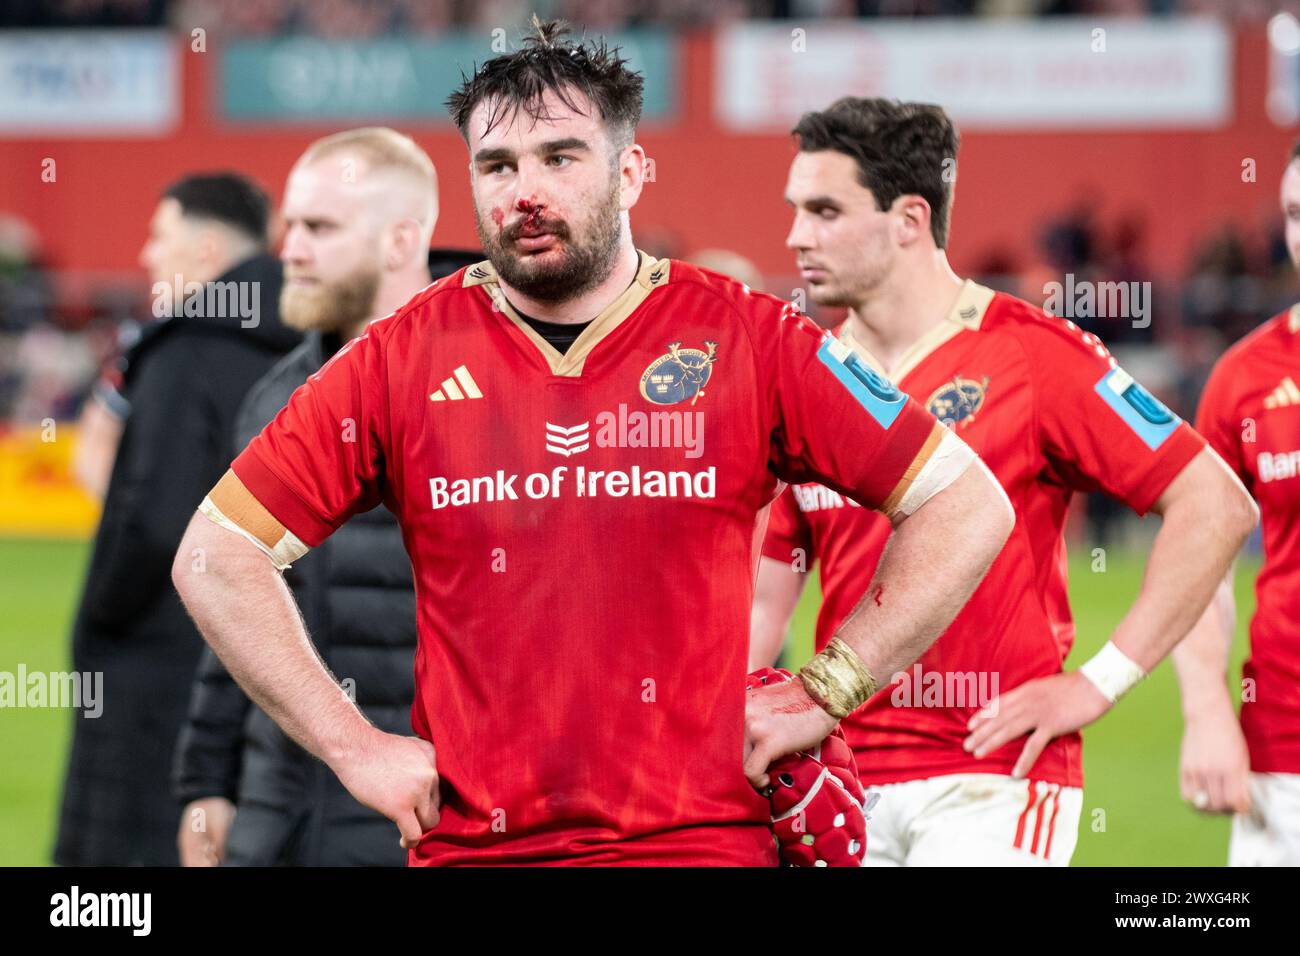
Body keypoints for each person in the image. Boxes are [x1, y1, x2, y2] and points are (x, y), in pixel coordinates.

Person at [171, 20, 1013, 867]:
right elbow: (216, 553)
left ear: (631, 171)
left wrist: (829, 686)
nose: (524, 192)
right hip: (476, 850)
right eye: (497, 167)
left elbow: (963, 501)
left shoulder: (753, 338)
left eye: (561, 158)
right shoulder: (397, 356)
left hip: (700, 846)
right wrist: (354, 746)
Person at [751, 97, 1258, 866]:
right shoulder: (809, 378)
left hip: (994, 778)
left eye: (824, 210)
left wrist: (1097, 683)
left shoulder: (1032, 356)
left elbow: (1213, 501)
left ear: (909, 219)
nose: (796, 236)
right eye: (795, 210)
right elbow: (765, 596)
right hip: (836, 779)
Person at [171, 127, 482, 867]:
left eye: (320, 227)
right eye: (290, 226)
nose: (292, 250)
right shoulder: (276, 395)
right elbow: (231, 594)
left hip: (420, 807)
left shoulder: (484, 384)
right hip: (277, 808)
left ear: (402, 238)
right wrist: (205, 780)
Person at [55, 173, 300, 866]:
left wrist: (102, 619)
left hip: (158, 666)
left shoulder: (179, 353)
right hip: (272, 653)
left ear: (207, 248)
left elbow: (151, 521)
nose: (145, 254)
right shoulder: (310, 349)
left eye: (160, 236)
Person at [1174, 139, 1300, 865]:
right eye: (1292, 213)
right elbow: (1201, 562)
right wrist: (1208, 709)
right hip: (1283, 755)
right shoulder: (1243, 377)